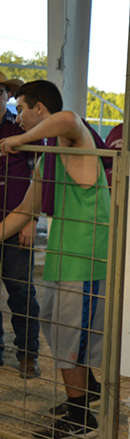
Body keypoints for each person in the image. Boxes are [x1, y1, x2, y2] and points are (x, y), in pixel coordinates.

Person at [0, 80, 110, 439]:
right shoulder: (47, 156)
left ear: (40, 109)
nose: (16, 118)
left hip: (85, 259)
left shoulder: (71, 139)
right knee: (54, 327)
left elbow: (69, 117)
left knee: (68, 338)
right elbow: (24, 210)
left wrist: (16, 142)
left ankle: (81, 418)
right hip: (63, 260)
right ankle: (85, 389)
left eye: (21, 109)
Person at [0, 73, 41, 379]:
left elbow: (40, 176)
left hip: (16, 223)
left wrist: (32, 219)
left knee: (21, 292)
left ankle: (28, 354)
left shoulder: (23, 131)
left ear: (6, 96)